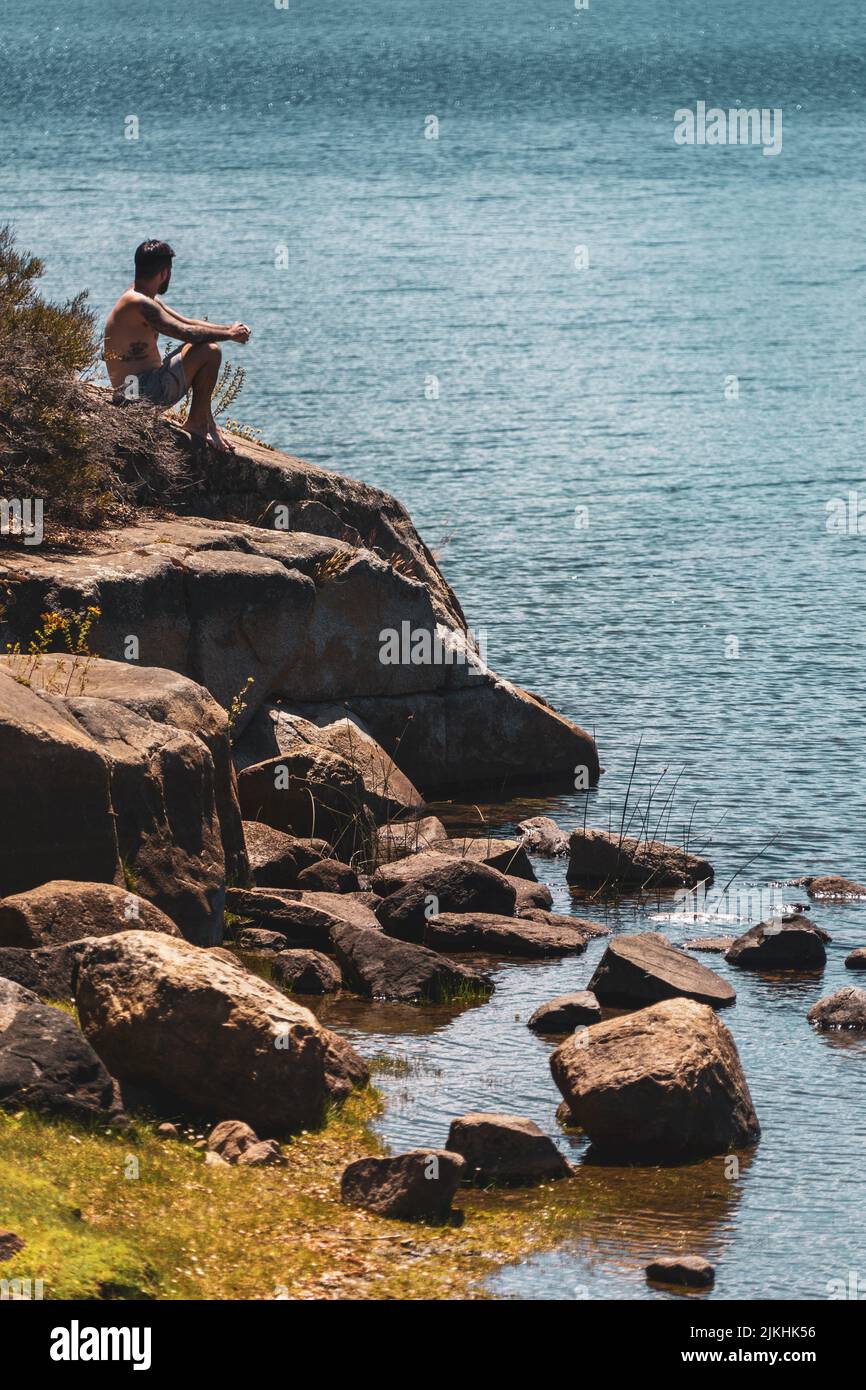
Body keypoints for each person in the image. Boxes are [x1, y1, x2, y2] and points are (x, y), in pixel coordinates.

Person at [103, 239, 250, 452]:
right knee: (210, 352)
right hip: (137, 396)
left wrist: (229, 328)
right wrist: (229, 335)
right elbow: (185, 332)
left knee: (202, 346)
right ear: (164, 273)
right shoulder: (139, 303)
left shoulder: (139, 296)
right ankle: (198, 424)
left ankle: (204, 420)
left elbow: (188, 322)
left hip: (135, 391)